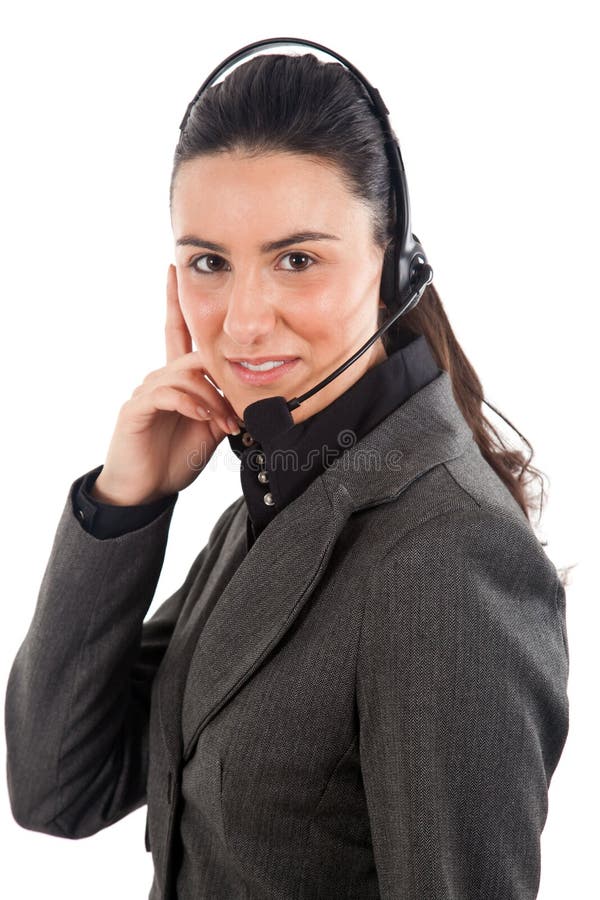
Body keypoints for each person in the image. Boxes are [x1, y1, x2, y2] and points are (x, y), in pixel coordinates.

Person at [4, 47, 570, 900]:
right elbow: (58, 788)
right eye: (209, 263)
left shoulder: (447, 559)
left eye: (296, 260)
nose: (241, 322)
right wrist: (128, 501)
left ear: (393, 266)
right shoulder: (278, 495)